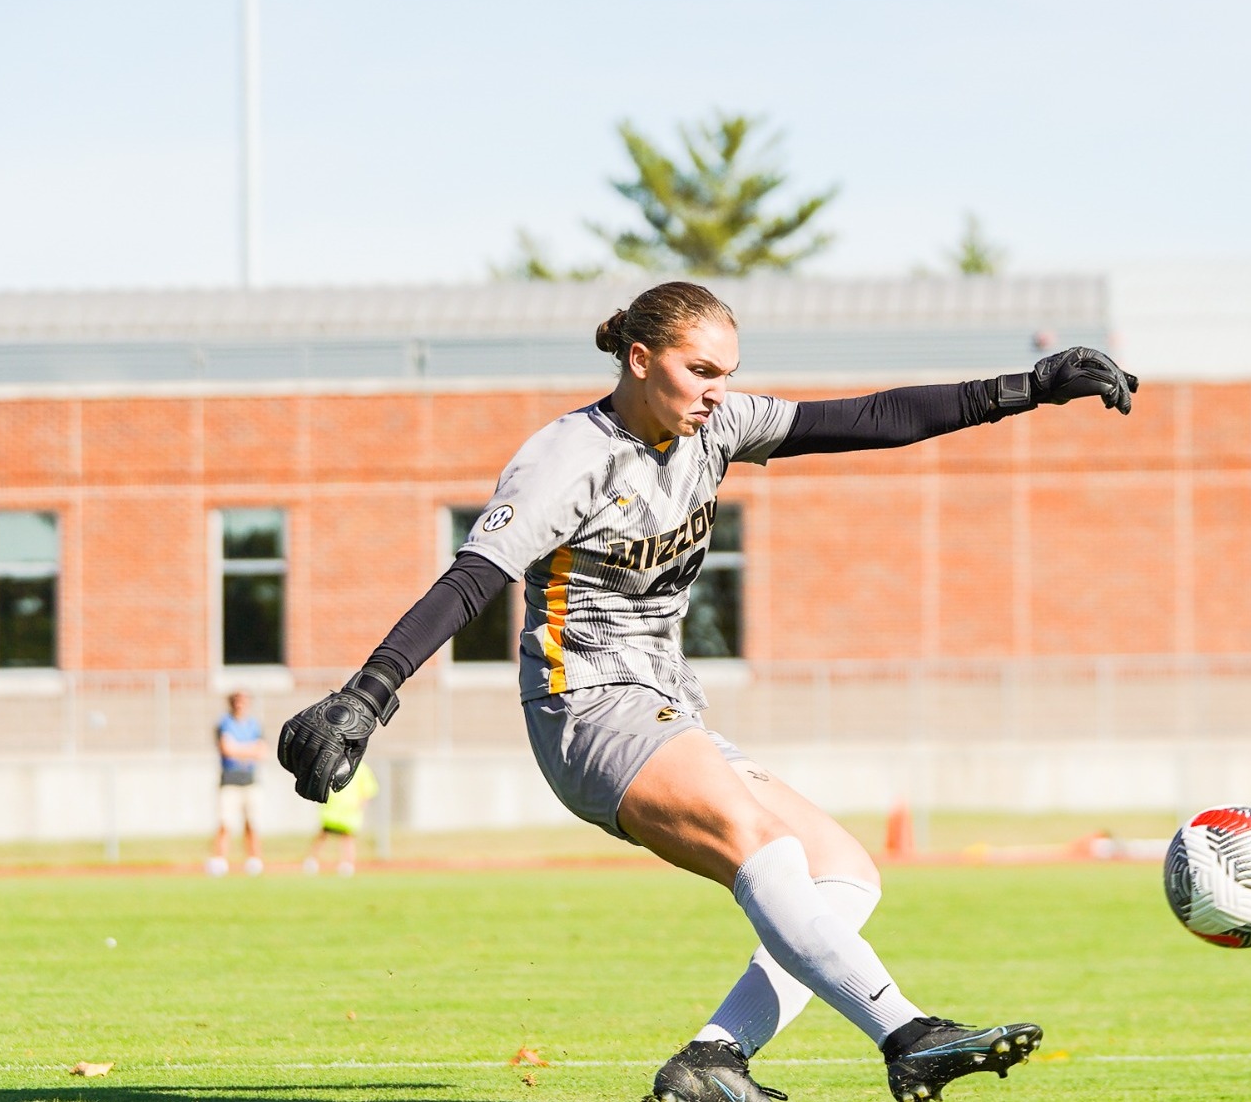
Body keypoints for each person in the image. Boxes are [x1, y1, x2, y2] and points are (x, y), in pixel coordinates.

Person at [275, 281, 1137, 1102]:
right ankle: (907, 1033)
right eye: (702, 370)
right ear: (640, 359)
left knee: (846, 869)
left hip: (664, 707)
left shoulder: (712, 430)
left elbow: (873, 419)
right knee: (757, 840)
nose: (720, 392)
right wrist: (370, 693)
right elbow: (470, 581)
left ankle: (712, 1060)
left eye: (729, 373)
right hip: (586, 707)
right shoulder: (564, 459)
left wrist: (1028, 387)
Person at [209, 691, 266, 877]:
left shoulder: (254, 725)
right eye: (237, 701)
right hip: (230, 781)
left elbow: (262, 751)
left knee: (253, 823)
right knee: (225, 823)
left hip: (250, 780)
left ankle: (254, 859)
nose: (240, 705)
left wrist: (239, 750)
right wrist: (248, 750)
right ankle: (220, 860)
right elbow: (227, 750)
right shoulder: (224, 723)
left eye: (243, 701)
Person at [304, 763, 379, 877]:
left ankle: (347, 864)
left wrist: (362, 804)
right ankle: (312, 860)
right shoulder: (334, 763)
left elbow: (368, 789)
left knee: (347, 838)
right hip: (332, 809)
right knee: (323, 835)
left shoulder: (361, 768)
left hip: (349, 810)